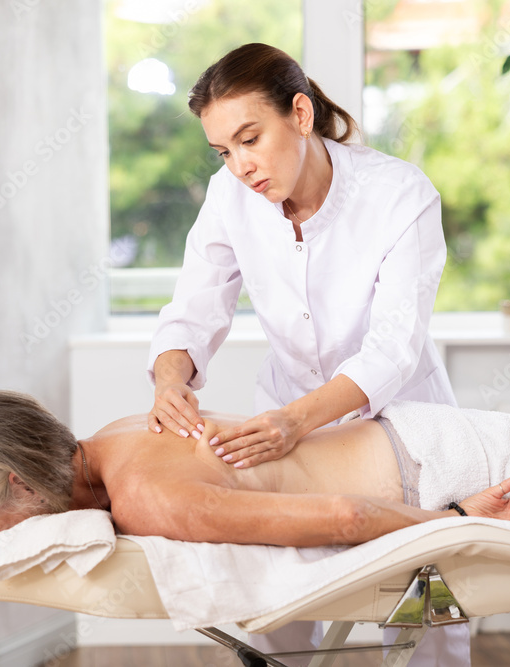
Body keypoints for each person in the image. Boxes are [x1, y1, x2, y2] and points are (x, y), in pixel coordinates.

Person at [146, 42, 464, 662]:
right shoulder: (229, 197)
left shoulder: (399, 193)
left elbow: (392, 350)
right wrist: (169, 381)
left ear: (300, 113)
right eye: (223, 150)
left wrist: (297, 421)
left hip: (402, 426)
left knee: (424, 608)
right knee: (274, 599)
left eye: (250, 138)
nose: (240, 165)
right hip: (286, 419)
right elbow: (192, 310)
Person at [0, 390, 510, 540]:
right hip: (415, 435)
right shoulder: (118, 434)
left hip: (442, 473)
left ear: (18, 484)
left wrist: (458, 519)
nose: (5, 538)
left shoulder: (139, 498)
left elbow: (344, 514)